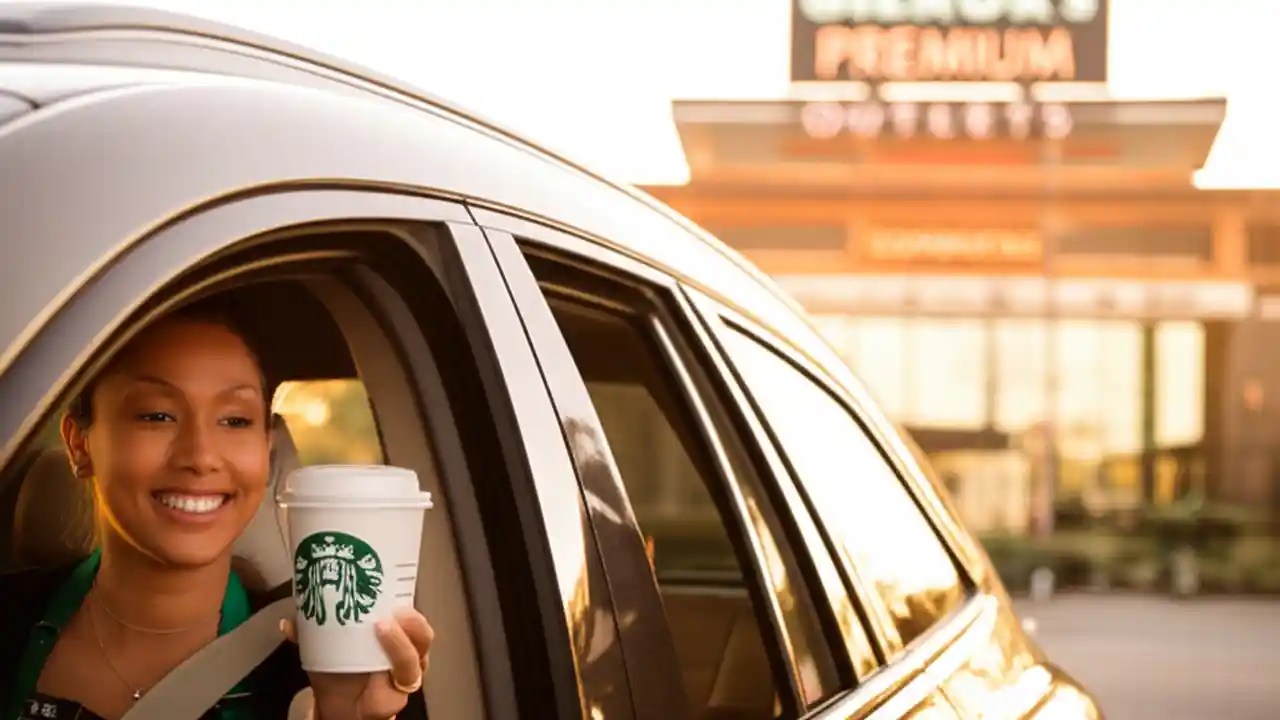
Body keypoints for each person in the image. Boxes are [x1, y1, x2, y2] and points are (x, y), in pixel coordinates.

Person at [0, 300, 433, 719]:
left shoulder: (334, 672)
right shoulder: (9, 622)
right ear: (79, 442)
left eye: (234, 421)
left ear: (266, 448)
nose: (201, 456)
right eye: (157, 415)